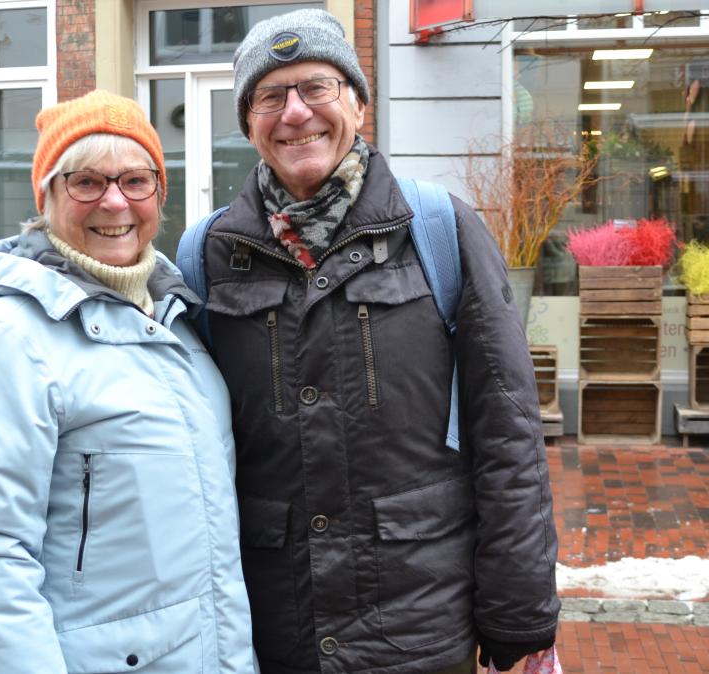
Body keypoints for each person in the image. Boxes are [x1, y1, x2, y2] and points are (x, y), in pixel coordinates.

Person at [193, 9, 559, 673]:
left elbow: (506, 431)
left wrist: (519, 613)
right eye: (270, 97)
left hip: (416, 628)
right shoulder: (209, 255)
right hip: (269, 630)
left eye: (318, 88)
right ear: (249, 122)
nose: (295, 113)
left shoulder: (439, 231)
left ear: (358, 104)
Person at [0, 90, 256, 673]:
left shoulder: (176, 319)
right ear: (47, 196)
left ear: (159, 194)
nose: (115, 202)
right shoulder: (13, 337)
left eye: (136, 181)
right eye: (85, 181)